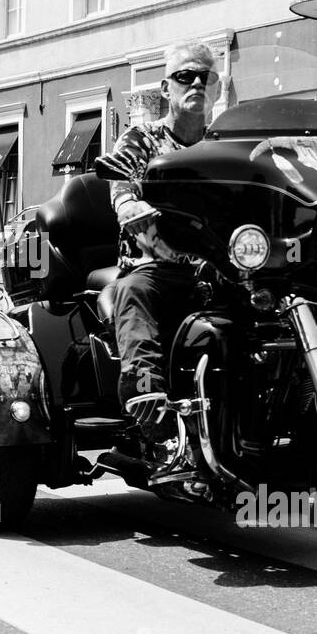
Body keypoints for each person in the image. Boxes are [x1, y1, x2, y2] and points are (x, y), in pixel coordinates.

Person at [94, 41, 222, 486]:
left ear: (218, 85)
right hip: (156, 267)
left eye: (206, 76)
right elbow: (122, 191)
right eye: (186, 76)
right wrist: (133, 208)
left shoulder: (226, 144)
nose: (197, 84)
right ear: (167, 87)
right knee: (135, 292)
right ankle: (154, 417)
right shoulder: (142, 139)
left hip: (222, 268)